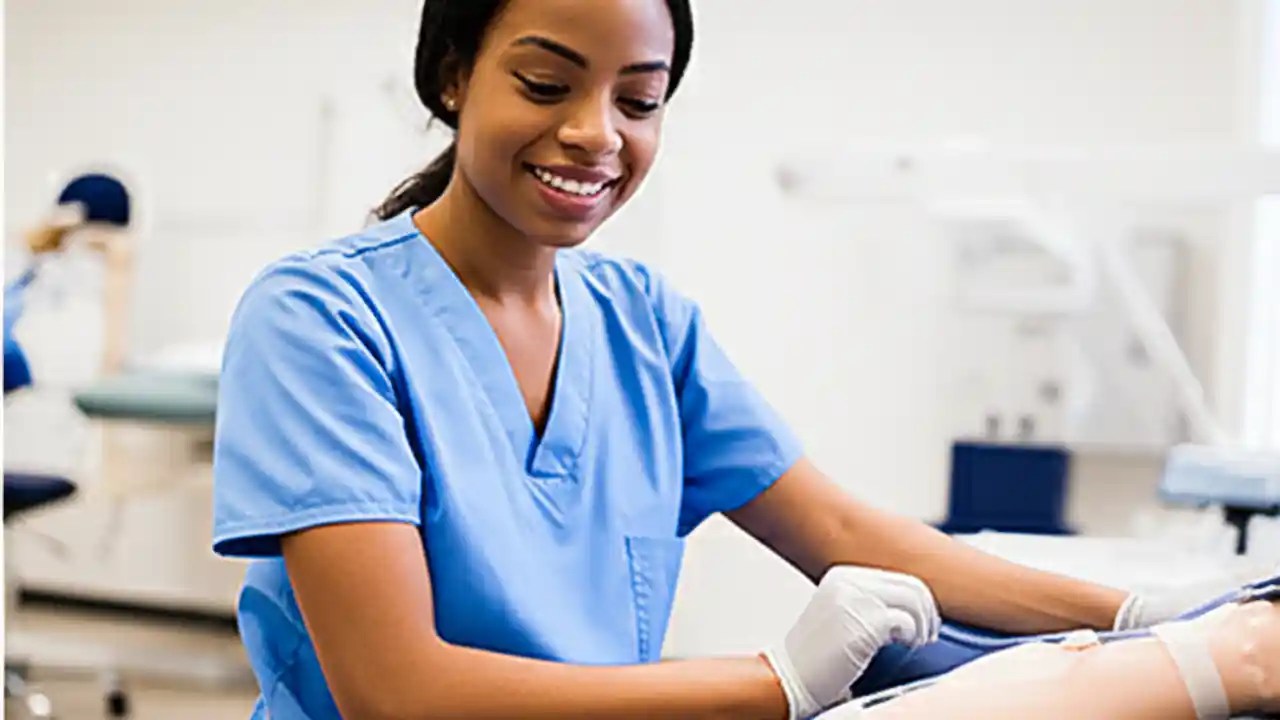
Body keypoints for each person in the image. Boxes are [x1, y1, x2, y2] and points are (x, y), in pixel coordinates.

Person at [209, 1, 1274, 718]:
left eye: (637, 99)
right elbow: (399, 690)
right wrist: (775, 681)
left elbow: (847, 533)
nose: (595, 135)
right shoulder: (321, 319)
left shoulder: (640, 321)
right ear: (451, 79)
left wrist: (1138, 614)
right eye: (545, 85)